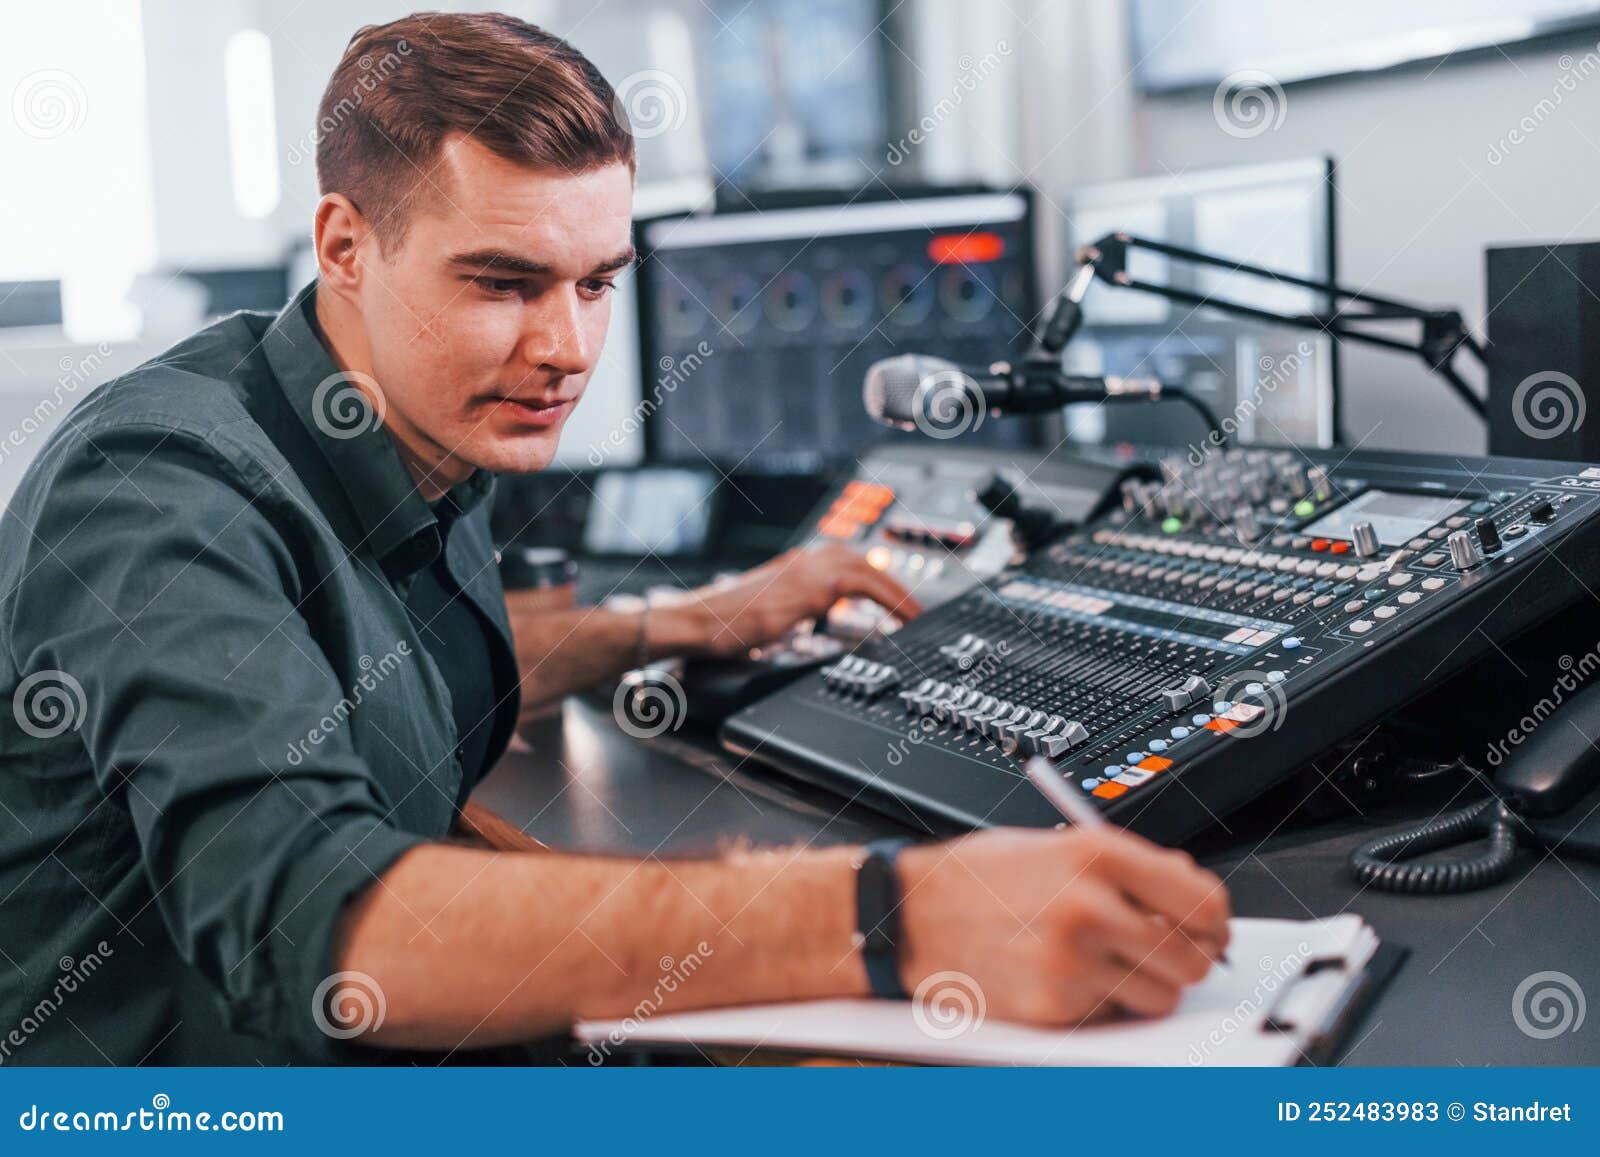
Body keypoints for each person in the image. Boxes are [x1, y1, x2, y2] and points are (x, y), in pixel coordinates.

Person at [0, 12, 1229, 1065]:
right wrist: (899, 915)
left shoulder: (403, 424)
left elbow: (363, 672)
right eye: (502, 283)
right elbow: (325, 928)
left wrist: (680, 621)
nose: (568, 349)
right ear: (342, 245)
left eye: (595, 282)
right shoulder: (159, 484)